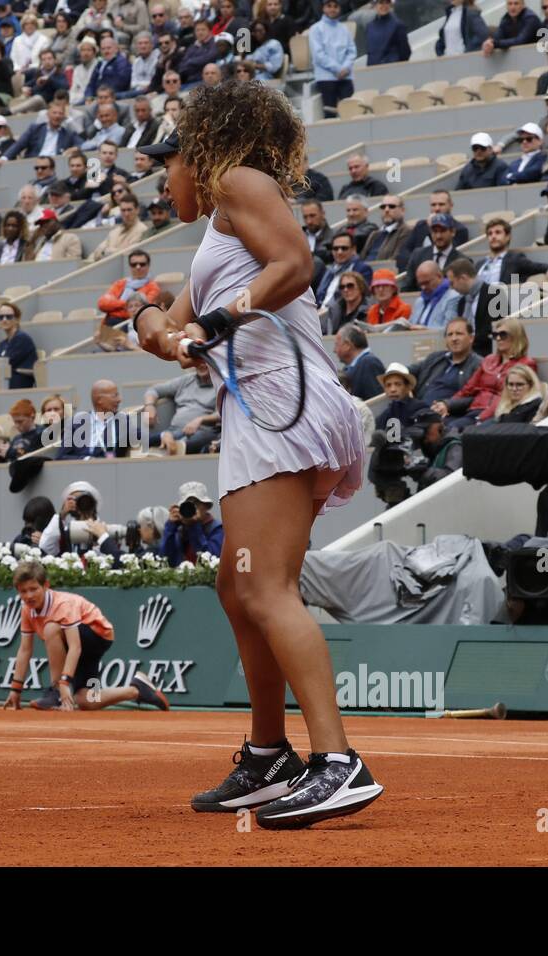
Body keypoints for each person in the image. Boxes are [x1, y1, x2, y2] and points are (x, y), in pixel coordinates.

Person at [132, 85, 383, 827]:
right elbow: (162, 331)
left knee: (265, 586)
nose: (161, 177)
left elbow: (296, 264)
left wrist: (204, 325)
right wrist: (156, 320)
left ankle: (338, 761)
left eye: (166, 161)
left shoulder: (241, 184)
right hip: (261, 408)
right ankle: (268, 755)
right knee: (235, 587)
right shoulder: (217, 232)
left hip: (282, 403)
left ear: (202, 152)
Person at [3, 559, 169, 712]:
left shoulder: (62, 604)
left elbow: (75, 646)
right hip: (82, 653)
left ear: (46, 585)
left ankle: (55, 692)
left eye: (33, 589)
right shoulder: (26, 610)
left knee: (51, 627)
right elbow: (25, 650)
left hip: (96, 638)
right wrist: (15, 690)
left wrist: (63, 682)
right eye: (23, 591)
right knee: (87, 700)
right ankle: (137, 689)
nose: (29, 596)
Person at [434, 317, 537, 430]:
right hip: (474, 410)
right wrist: (447, 404)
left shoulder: (525, 363)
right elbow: (468, 389)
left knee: (453, 430)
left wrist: (481, 418)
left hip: (498, 414)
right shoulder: (489, 360)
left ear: (516, 336)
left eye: (503, 335)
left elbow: (508, 397)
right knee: (439, 426)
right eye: (495, 335)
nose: (498, 338)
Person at [144, 365, 219, 455]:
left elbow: (222, 414)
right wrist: (149, 406)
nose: (201, 365)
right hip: (174, 430)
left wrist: (200, 419)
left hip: (202, 431)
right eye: (198, 361)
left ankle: (169, 448)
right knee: (158, 436)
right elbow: (153, 390)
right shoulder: (186, 380)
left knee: (199, 438)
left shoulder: (220, 384)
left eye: (204, 361)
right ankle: (167, 444)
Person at [411, 318, 483, 405]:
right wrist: (398, 378)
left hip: (449, 415)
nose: (454, 338)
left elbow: (476, 398)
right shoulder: (435, 358)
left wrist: (448, 405)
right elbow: (407, 370)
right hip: (419, 409)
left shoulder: (479, 365)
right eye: (450, 335)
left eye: (459, 334)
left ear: (471, 338)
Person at [310, 0, 355, 119]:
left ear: (339, 8)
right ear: (324, 8)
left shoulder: (344, 28)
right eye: (329, 6)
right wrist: (338, 69)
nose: (332, 9)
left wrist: (345, 68)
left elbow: (351, 51)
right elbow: (318, 55)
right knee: (330, 113)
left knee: (350, 112)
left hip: (345, 76)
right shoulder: (316, 29)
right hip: (326, 77)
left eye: (335, 6)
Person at [0, 301, 38, 389]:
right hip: (2, 385)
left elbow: (7, 362)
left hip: (19, 387)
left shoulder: (22, 339)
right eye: (0, 317)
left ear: (17, 319)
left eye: (9, 316)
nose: (4, 320)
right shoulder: (2, 344)